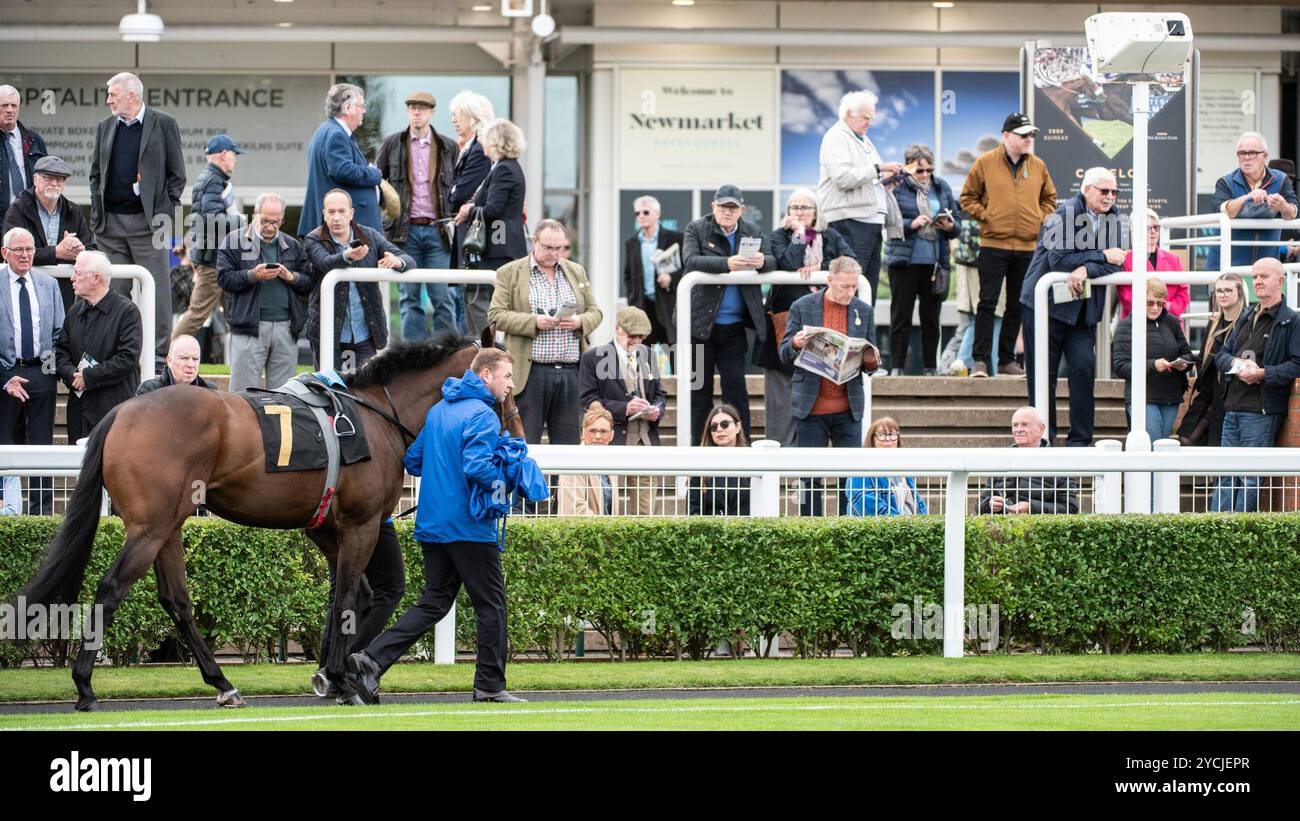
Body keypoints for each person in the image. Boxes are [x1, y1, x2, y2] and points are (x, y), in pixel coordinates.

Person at [347, 347, 526, 704]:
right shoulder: (484, 415)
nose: (510, 385)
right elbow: (477, 467)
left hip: (433, 525)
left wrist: (444, 470)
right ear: (486, 376)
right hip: (469, 526)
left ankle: (370, 659)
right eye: (507, 376)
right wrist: (506, 480)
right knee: (492, 603)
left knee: (434, 602)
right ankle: (490, 685)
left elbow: (413, 459)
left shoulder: (440, 411)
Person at [1020, 167, 1126, 446]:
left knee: (1083, 369)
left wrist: (1084, 268)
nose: (1110, 197)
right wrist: (1100, 256)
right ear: (1087, 190)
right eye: (1105, 191)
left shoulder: (1113, 216)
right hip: (1045, 307)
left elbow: (1119, 261)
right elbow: (1059, 261)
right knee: (1043, 377)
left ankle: (1080, 441)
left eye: (1114, 192)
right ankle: (1045, 439)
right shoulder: (1062, 215)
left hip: (1082, 310)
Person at [88, 72, 185, 363]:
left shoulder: (164, 124)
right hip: (110, 226)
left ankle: (157, 356)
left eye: (112, 95)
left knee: (156, 290)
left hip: (149, 225)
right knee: (111, 291)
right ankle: (115, 354)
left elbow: (177, 176)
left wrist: (163, 214)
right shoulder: (104, 127)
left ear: (132, 95)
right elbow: (95, 174)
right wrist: (97, 211)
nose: (108, 101)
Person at [960, 113, 1057, 378]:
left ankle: (1006, 361)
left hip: (1027, 247)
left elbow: (1050, 199)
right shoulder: (985, 162)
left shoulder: (1038, 166)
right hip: (993, 244)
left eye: (1030, 135)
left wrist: (1039, 218)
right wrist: (988, 215)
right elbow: (967, 197)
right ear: (1006, 136)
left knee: (1017, 304)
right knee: (987, 303)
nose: (1028, 139)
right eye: (1023, 135)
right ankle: (980, 361)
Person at [487, 219, 602, 444]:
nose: (554, 253)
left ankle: (561, 482)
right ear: (534, 241)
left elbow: (596, 312)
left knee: (568, 447)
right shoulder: (509, 272)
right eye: (548, 247)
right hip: (530, 373)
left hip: (571, 372)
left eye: (559, 248)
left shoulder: (576, 271)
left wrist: (579, 322)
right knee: (525, 443)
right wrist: (533, 322)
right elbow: (495, 315)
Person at [782, 256, 878, 516]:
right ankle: (808, 530)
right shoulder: (802, 306)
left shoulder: (864, 311)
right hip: (811, 406)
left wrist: (870, 361)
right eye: (844, 286)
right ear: (830, 280)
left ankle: (847, 527)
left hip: (848, 407)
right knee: (809, 477)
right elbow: (783, 352)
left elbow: (871, 363)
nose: (850, 293)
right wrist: (797, 344)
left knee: (850, 477)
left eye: (853, 287)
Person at [682, 184, 775, 444]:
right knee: (698, 391)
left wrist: (761, 262)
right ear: (713, 206)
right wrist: (727, 264)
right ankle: (698, 450)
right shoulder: (697, 228)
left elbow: (773, 259)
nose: (727, 212)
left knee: (736, 391)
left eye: (733, 207)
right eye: (723, 206)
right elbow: (689, 260)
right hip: (697, 329)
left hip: (733, 328)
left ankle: (742, 448)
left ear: (741, 210)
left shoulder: (753, 230)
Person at [761, 189, 852, 446]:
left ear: (816, 212)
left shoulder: (831, 236)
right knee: (781, 402)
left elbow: (851, 263)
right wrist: (800, 236)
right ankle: (778, 463)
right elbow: (788, 262)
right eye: (793, 208)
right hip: (786, 327)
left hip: (827, 328)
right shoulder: (780, 236)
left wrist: (821, 269)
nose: (799, 212)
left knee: (819, 401)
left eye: (804, 207)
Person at [1211, 258, 1300, 513]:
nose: (1258, 281)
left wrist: (1263, 373)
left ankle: (1239, 535)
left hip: (1260, 411)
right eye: (1255, 277)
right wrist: (1235, 363)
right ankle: (1217, 530)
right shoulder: (1247, 315)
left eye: (1264, 276)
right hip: (1232, 407)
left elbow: (1297, 364)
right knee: (1225, 474)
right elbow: (1222, 355)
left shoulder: (1291, 321)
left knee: (1250, 477)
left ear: (1280, 281)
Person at [377, 91, 459, 342]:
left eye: (422, 108)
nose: (416, 112)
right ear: (407, 111)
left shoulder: (447, 146)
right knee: (409, 297)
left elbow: (459, 187)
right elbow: (376, 183)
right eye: (412, 107)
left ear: (431, 112)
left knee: (442, 296)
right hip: (405, 232)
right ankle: (415, 358)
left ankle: (448, 355)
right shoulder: (393, 144)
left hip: (438, 232)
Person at [303, 189, 415, 371]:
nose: (336, 217)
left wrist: (397, 261)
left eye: (342, 211)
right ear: (324, 214)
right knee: (328, 391)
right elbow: (324, 263)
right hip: (328, 334)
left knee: (365, 392)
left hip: (365, 333)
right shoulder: (313, 239)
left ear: (351, 213)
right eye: (331, 212)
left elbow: (409, 260)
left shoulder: (370, 235)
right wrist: (347, 256)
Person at [816, 90, 906, 308]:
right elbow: (843, 177)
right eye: (866, 117)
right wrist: (879, 168)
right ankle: (845, 340)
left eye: (871, 118)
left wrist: (886, 182)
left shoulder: (863, 140)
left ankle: (862, 339)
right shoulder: (836, 137)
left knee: (867, 291)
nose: (870, 123)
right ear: (848, 114)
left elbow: (867, 178)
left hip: (871, 223)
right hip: (849, 222)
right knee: (850, 290)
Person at [217, 193, 314, 392]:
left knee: (283, 397)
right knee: (243, 396)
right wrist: (253, 275)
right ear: (255, 214)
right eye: (265, 221)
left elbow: (307, 283)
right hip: (248, 328)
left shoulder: (293, 246)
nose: (270, 226)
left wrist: (291, 277)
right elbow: (224, 279)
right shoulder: (233, 241)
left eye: (276, 222)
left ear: (282, 219)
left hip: (286, 329)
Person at [578, 306, 666, 515]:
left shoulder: (650, 356)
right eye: (632, 336)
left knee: (646, 512)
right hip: (610, 440)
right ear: (618, 329)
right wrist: (623, 408)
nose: (637, 341)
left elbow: (660, 394)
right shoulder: (593, 357)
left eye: (641, 337)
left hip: (645, 439)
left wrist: (656, 410)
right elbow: (588, 399)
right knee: (608, 507)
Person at [1, 227, 63, 514]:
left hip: (41, 373)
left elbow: (58, 333)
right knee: (4, 444)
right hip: (5, 372)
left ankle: (42, 514)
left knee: (42, 447)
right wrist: (4, 378)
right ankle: (8, 510)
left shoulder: (48, 284)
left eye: (29, 250)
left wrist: (50, 374)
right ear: (5, 253)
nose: (25, 255)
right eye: (19, 250)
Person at [884, 144, 959, 375]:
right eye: (920, 171)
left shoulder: (941, 187)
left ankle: (930, 367)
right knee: (901, 317)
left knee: (931, 320)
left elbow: (957, 226)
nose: (925, 175)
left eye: (929, 170)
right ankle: (896, 367)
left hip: (934, 264)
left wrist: (950, 225)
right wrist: (912, 224)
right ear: (909, 169)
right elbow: (888, 224)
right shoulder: (896, 189)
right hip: (904, 263)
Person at [54, 250, 142, 441]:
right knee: (80, 467)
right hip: (79, 408)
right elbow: (61, 353)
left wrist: (88, 376)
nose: (71, 278)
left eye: (77, 272)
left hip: (114, 408)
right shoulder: (75, 311)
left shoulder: (127, 312)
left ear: (96, 278)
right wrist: (72, 375)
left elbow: (128, 358)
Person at [454, 117, 528, 337]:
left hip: (500, 248)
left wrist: (469, 210)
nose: (482, 144)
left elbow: (493, 210)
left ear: (495, 142)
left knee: (497, 308)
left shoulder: (504, 169)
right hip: (503, 246)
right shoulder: (506, 167)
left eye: (485, 140)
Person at [175, 134, 243, 340]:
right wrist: (242, 223)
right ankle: (165, 361)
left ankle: (244, 362)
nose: (236, 159)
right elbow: (213, 221)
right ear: (223, 154)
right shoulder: (213, 181)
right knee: (197, 314)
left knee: (236, 314)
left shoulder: (211, 179)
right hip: (212, 260)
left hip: (215, 258)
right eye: (234, 154)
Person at [2, 155, 91, 311]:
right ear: (35, 179)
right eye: (48, 178)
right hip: (26, 289)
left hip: (64, 294)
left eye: (60, 179)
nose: (55, 183)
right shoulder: (18, 210)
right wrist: (56, 252)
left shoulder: (73, 211)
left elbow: (91, 250)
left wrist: (80, 251)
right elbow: (12, 254)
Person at [1111, 278, 1193, 440]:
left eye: (1160, 303)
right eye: (1150, 303)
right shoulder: (1127, 325)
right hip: (1143, 396)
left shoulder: (1172, 322)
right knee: (1151, 445)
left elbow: (1187, 353)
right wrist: (1153, 365)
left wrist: (1184, 364)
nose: (1155, 308)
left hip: (1170, 395)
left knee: (1161, 447)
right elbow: (1120, 366)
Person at [298, 83, 382, 237]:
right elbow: (342, 170)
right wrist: (374, 174)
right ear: (348, 108)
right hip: (346, 233)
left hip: (341, 230)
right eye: (361, 106)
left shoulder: (326, 131)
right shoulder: (336, 134)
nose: (364, 111)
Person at [1209, 132, 1298, 271]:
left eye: (1252, 153)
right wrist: (1247, 197)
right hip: (1228, 266)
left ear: (1265, 156)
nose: (1247, 158)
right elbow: (1220, 212)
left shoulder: (1280, 180)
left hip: (1266, 267)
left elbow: (1293, 212)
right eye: (1242, 153)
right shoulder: (1225, 182)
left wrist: (1282, 206)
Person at [1177, 273, 1247, 446]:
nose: (1222, 295)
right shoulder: (1214, 323)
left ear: (1239, 293)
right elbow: (1202, 357)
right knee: (1187, 436)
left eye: (1228, 290)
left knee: (1222, 443)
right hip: (1209, 392)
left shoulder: (1247, 322)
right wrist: (1188, 364)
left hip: (1233, 393)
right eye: (1219, 291)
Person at [447, 90, 496, 332]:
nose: (454, 120)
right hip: (469, 237)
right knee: (468, 304)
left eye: (458, 115)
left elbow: (457, 192)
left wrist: (454, 191)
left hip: (476, 241)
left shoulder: (479, 150)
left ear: (473, 117)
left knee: (475, 305)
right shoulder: (470, 148)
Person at [976, 406, 1079, 515]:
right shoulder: (1001, 459)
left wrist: (1031, 507)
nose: (1018, 429)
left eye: (1024, 424)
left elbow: (1070, 508)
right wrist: (990, 504)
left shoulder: (1058, 463)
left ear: (1041, 429)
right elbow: (979, 506)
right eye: (1015, 425)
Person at [622, 195, 685, 347]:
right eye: (637, 213)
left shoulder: (675, 238)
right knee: (642, 358)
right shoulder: (632, 243)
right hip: (643, 307)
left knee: (676, 355)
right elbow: (628, 275)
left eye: (646, 212)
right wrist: (633, 298)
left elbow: (687, 269)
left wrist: (671, 279)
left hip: (669, 306)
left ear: (657, 214)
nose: (641, 216)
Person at [1115, 209, 1189, 322]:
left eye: (1156, 227)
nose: (1153, 231)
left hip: (1169, 325)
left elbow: (1183, 295)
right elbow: (1128, 299)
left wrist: (1164, 307)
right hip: (1138, 325)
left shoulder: (1174, 260)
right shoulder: (1125, 260)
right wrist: (1160, 306)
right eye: (1148, 228)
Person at [845, 417, 928, 516]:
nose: (888, 438)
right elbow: (871, 509)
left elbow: (919, 504)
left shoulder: (903, 471)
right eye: (881, 435)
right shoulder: (860, 471)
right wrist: (904, 525)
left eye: (892, 434)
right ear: (872, 440)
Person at [557, 401, 621, 516]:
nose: (598, 436)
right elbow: (575, 509)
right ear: (583, 432)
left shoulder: (611, 462)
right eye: (592, 431)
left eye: (603, 431)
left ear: (611, 435)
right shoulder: (573, 462)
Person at [688, 404, 751, 516]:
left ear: (738, 427)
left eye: (725, 424)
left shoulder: (753, 463)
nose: (719, 429)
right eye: (713, 427)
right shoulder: (700, 468)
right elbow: (693, 512)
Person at [0, 85, 46, 211]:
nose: (10, 110)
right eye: (4, 105)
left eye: (13, 105)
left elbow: (46, 178)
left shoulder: (33, 140)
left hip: (28, 217)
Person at [136, 334, 214, 394]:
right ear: (169, 361)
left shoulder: (210, 391)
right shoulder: (150, 390)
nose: (191, 364)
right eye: (184, 358)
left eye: (195, 359)